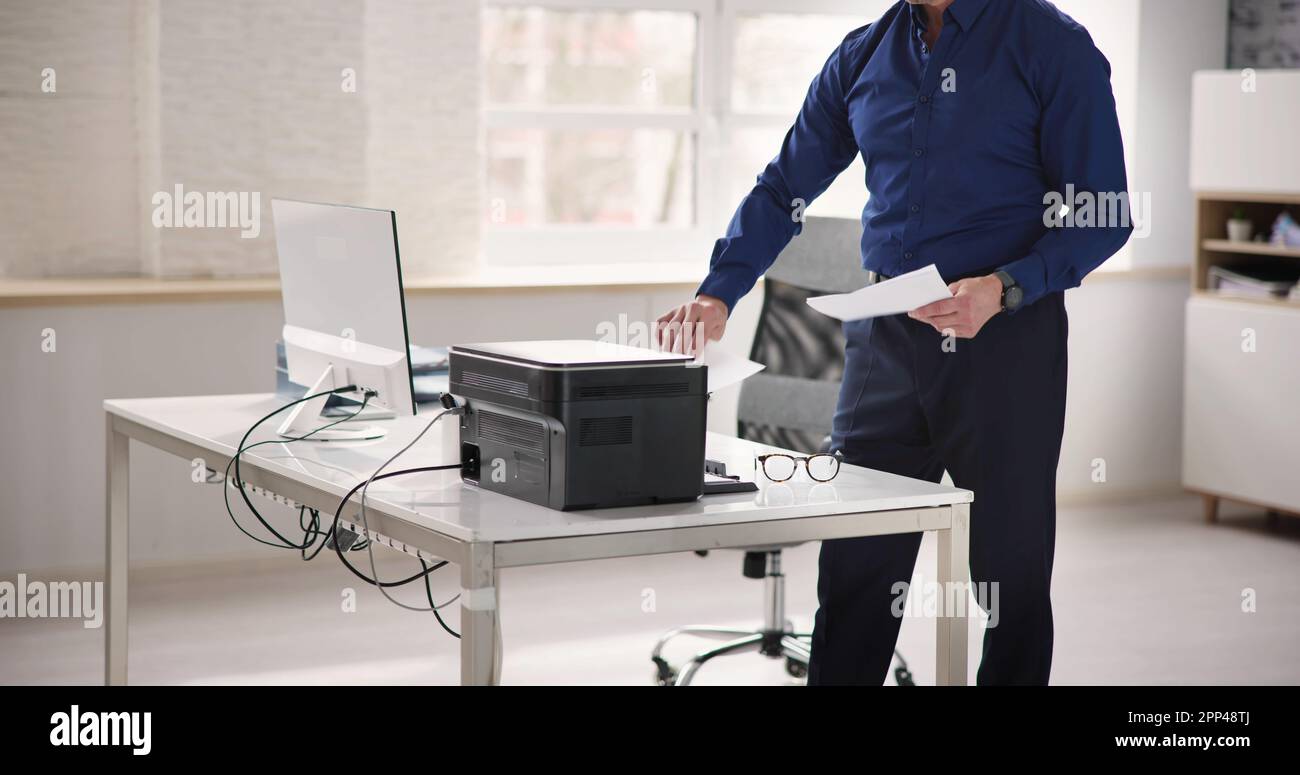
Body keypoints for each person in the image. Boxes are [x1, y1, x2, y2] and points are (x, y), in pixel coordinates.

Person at [655, 0, 1133, 685]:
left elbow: (1104, 214)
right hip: (884, 343)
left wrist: (1004, 286)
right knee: (856, 566)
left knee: (1010, 576)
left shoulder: (1053, 46)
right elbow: (786, 183)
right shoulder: (863, 55)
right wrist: (718, 291)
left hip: (1005, 342)